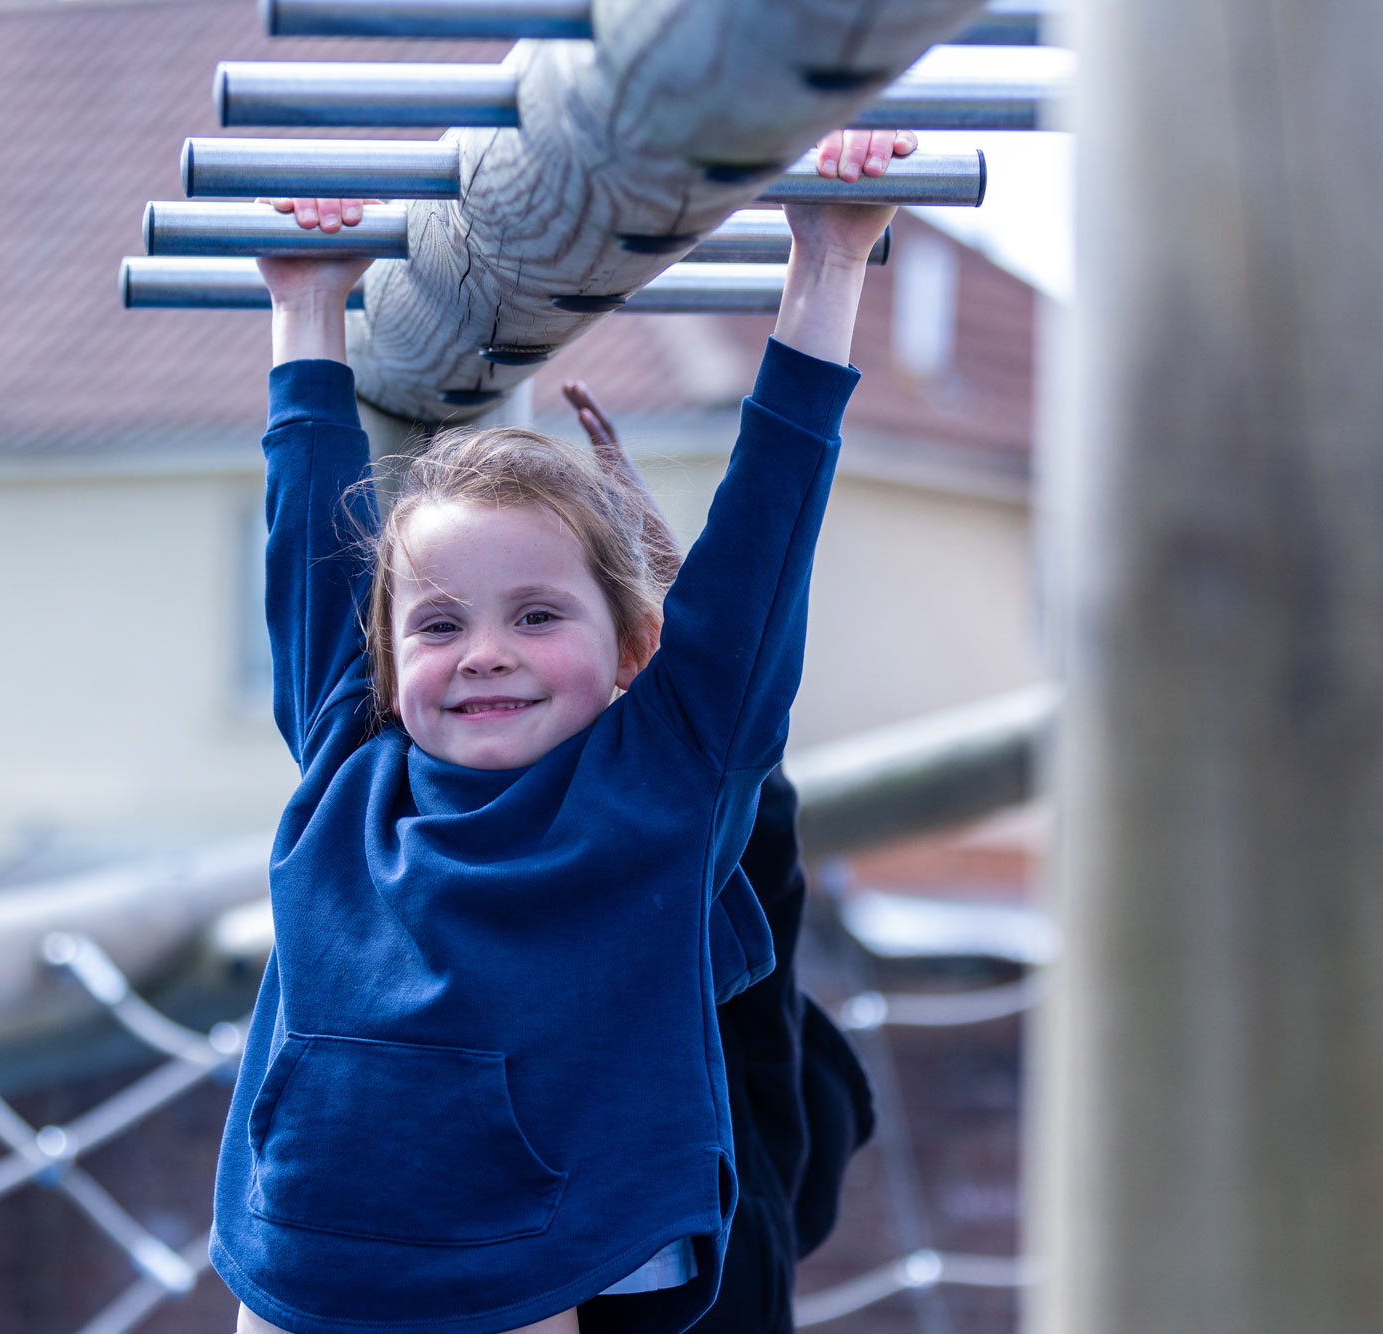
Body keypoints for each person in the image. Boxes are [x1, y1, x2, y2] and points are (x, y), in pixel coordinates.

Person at [215, 128, 913, 1334]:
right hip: (307, 1266)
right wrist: (305, 304)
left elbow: (763, 544)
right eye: (439, 622)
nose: (483, 650)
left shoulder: (659, 780)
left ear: (634, 646)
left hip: (534, 1263)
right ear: (387, 657)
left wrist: (828, 260)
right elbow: (303, 553)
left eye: (535, 615)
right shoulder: (349, 765)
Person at [556, 385, 876, 1334]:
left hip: (704, 1266)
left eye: (539, 617)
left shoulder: (698, 843)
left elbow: (738, 749)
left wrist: (670, 602)